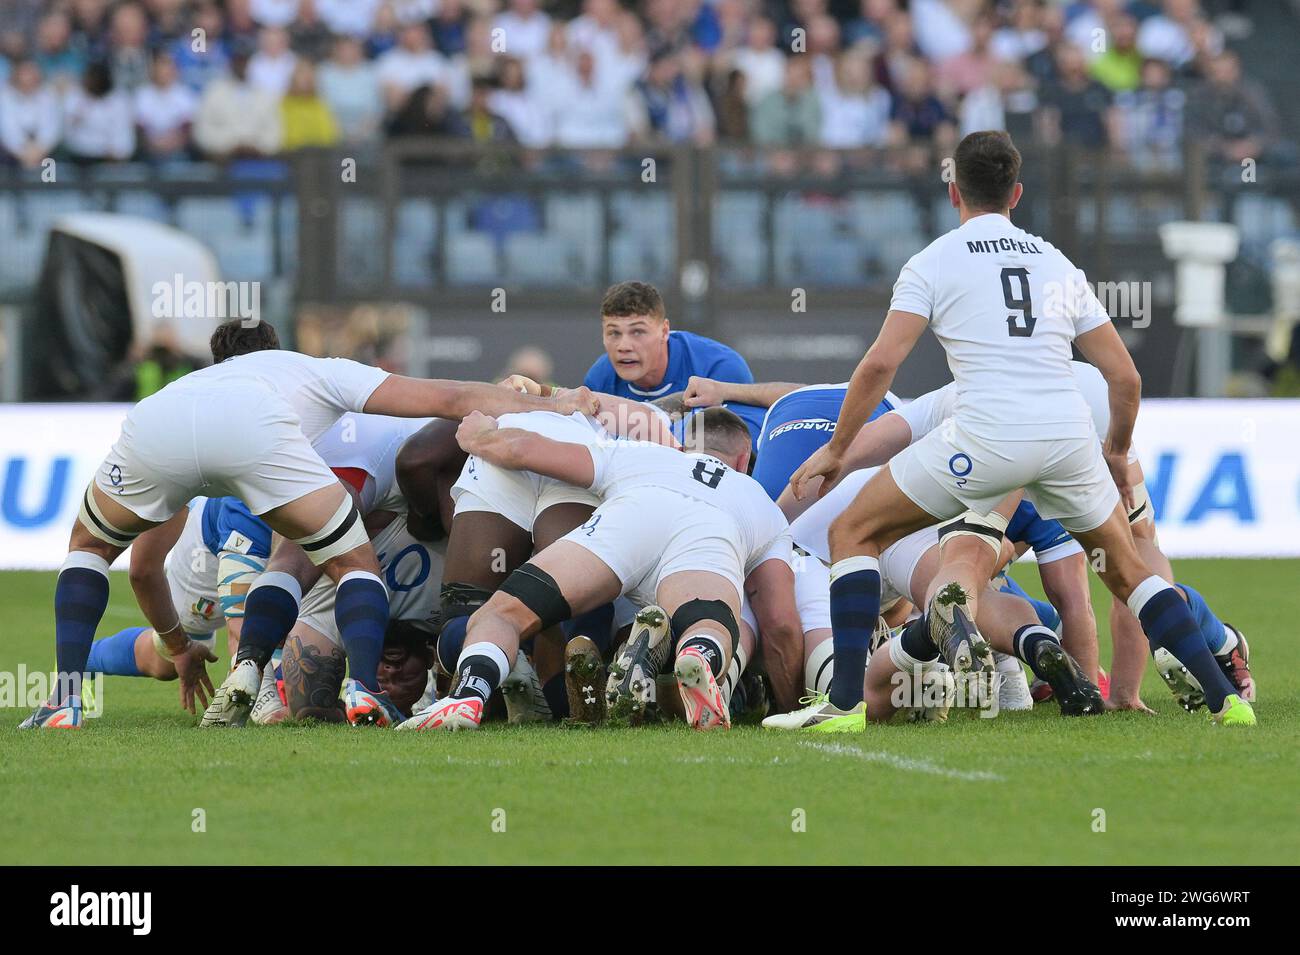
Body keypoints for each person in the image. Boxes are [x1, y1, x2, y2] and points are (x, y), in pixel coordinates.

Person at [787, 130, 1255, 729]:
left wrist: (836, 448)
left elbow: (880, 364)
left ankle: (845, 704)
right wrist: (1114, 448)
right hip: (1066, 437)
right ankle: (1227, 700)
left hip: (985, 437)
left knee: (854, 528)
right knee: (1128, 569)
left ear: (952, 190)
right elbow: (1126, 377)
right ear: (1017, 193)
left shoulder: (932, 261)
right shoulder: (1056, 262)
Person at [19, 319, 598, 730]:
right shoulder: (314, 370)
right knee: (352, 564)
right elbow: (447, 397)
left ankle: (64, 699)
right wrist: (550, 403)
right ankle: (362, 688)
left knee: (88, 547)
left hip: (159, 431)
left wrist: (177, 646)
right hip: (258, 452)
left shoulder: (190, 386)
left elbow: (143, 568)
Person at [400, 407, 797, 732]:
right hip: (713, 532)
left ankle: (468, 695)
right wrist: (790, 703)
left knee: (503, 613)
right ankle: (699, 654)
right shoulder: (762, 502)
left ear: (680, 442)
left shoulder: (645, 453)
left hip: (634, 515)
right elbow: (779, 622)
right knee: (708, 618)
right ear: (744, 460)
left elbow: (523, 449)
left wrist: (480, 434)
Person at [582, 281, 765, 444]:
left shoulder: (721, 369)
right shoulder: (599, 380)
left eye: (637, 332)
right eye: (614, 333)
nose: (624, 346)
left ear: (664, 331)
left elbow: (740, 454)